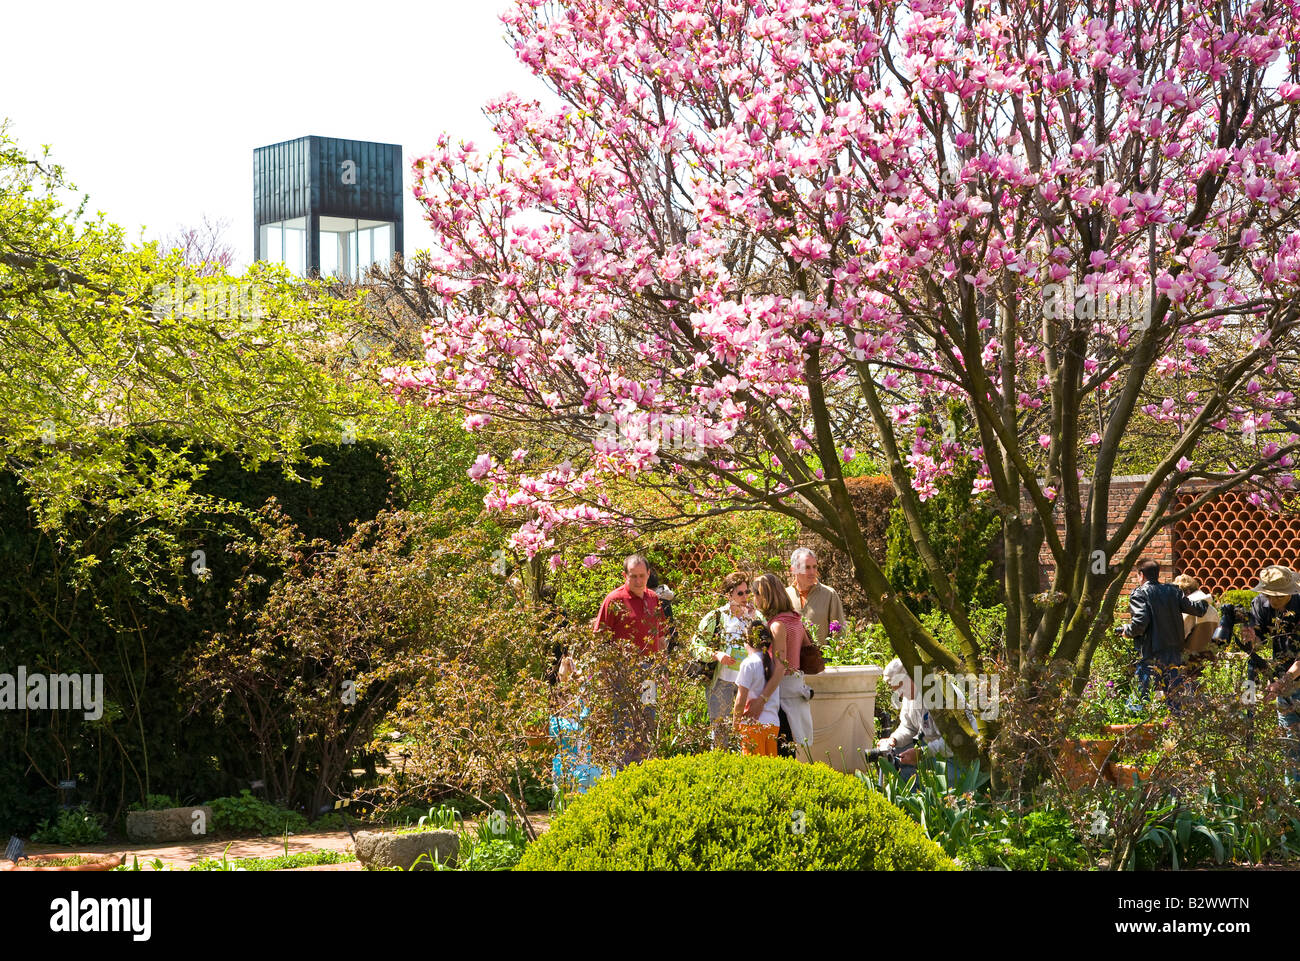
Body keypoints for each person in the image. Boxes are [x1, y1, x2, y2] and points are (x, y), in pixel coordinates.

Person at [593, 554, 668, 765]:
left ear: (648, 575)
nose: (638, 581)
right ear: (625, 575)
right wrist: (605, 674)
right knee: (624, 725)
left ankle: (642, 769)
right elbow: (599, 640)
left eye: (642, 576)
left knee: (647, 719)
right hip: (623, 672)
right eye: (633, 576)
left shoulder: (653, 598)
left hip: (649, 672)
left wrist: (664, 671)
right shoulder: (613, 600)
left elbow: (660, 638)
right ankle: (623, 774)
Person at [745, 573, 814, 760]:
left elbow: (780, 667)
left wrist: (761, 700)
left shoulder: (778, 625)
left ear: (764, 596)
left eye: (755, 594)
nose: (754, 598)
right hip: (795, 692)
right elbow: (807, 650)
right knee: (788, 753)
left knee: (780, 755)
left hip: (781, 695)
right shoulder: (795, 619)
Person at [1119, 559, 1207, 702]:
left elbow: (1140, 622)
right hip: (1175, 653)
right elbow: (1198, 609)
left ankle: (1136, 723)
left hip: (1152, 653)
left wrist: (1127, 631)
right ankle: (1177, 723)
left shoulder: (1140, 593)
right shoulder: (1173, 591)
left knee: (1139, 701)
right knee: (1175, 700)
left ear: (1141, 575)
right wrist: (1205, 600)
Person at [1243, 565, 1300, 783]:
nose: (1272, 600)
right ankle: (1293, 799)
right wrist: (1251, 638)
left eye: (1278, 596)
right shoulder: (1261, 603)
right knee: (1289, 740)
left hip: (1292, 675)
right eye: (1269, 594)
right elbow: (1259, 639)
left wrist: (1281, 683)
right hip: (1284, 677)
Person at [691, 572, 755, 750]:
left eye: (747, 592)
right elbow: (695, 646)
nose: (745, 597)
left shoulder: (754, 617)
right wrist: (716, 654)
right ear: (729, 595)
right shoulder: (716, 617)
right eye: (740, 593)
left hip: (748, 684)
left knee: (748, 732)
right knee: (721, 734)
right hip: (722, 683)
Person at [875, 658, 958, 785]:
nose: (899, 694)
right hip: (933, 751)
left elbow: (954, 740)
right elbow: (908, 727)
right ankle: (909, 798)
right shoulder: (910, 697)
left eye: (900, 687)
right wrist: (894, 740)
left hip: (956, 755)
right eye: (895, 689)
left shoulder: (941, 693)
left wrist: (922, 753)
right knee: (894, 753)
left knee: (947, 789)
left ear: (911, 676)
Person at [733, 618, 781, 756]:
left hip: (752, 725)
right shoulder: (774, 664)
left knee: (753, 769)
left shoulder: (748, 664)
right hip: (772, 724)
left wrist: (735, 724)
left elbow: (740, 699)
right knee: (770, 770)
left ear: (748, 639)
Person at [785, 547, 846, 647]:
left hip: (823, 659)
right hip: (792, 660)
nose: (812, 572)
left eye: (814, 567)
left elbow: (840, 633)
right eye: (807, 567)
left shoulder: (829, 594)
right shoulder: (785, 595)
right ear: (793, 569)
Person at [1173, 574, 1219, 680]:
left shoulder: (1189, 609)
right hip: (1209, 660)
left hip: (1190, 663)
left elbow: (1180, 636)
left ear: (1187, 592)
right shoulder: (1212, 608)